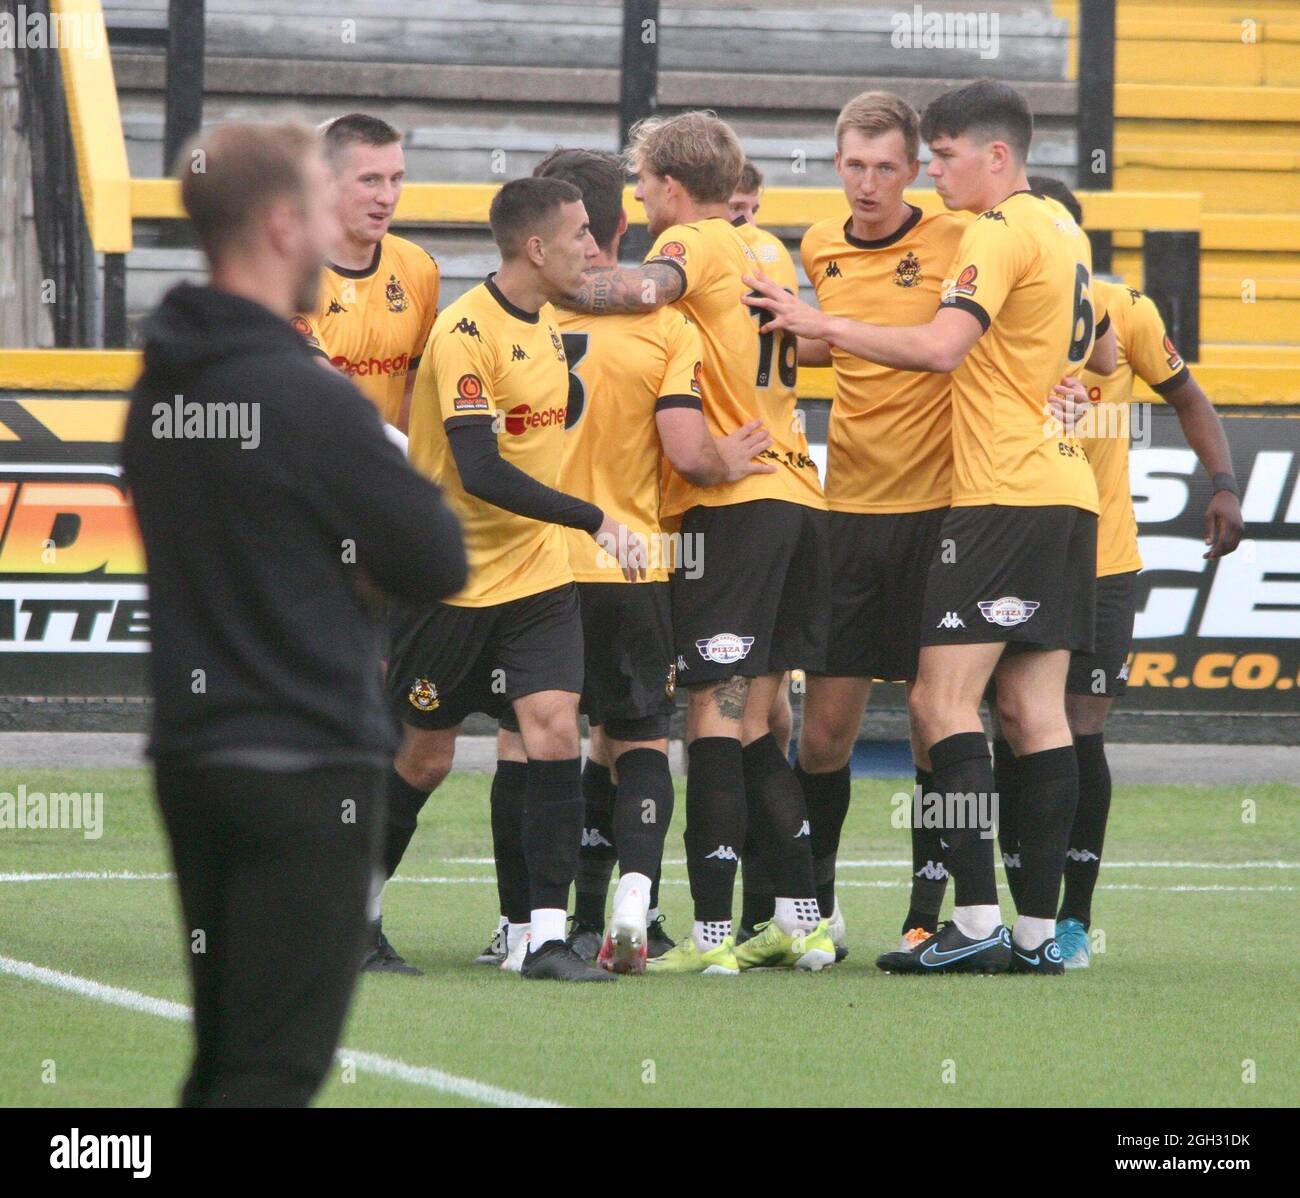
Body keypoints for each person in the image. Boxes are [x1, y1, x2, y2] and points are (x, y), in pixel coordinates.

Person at [122, 121, 467, 1105]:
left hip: (195, 755)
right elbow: (435, 554)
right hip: (305, 762)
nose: (334, 237)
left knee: (227, 1057)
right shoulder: (307, 396)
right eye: (320, 211)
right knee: (272, 1070)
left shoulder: (163, 386)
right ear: (280, 224)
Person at [746, 79, 1117, 975]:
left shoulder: (983, 230)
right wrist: (1072, 379)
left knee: (937, 707)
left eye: (930, 159)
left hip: (981, 497)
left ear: (987, 157)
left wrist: (813, 318)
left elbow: (948, 345)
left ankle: (964, 920)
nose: (897, 179)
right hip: (1041, 494)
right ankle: (1030, 936)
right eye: (855, 165)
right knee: (1029, 712)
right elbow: (1091, 333)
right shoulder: (1063, 228)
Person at [565, 110, 836, 975]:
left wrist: (546, 284)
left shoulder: (701, 243)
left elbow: (642, 291)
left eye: (643, 184)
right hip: (796, 489)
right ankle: (803, 923)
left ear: (673, 188)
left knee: (711, 712)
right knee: (760, 719)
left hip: (735, 500)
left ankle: (712, 940)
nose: (638, 199)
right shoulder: (767, 249)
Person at [515, 147, 776, 972]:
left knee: (537, 747)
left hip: (534, 568)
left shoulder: (518, 318)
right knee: (638, 742)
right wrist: (727, 461)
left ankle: (536, 926)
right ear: (620, 229)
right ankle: (636, 889)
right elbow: (689, 452)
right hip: (634, 562)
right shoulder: (666, 327)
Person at [384, 175, 646, 983]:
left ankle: (541, 939)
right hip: (450, 583)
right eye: (580, 237)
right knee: (423, 761)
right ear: (536, 248)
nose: (595, 250)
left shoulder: (553, 327)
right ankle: (347, 917)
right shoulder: (464, 330)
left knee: (555, 732)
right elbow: (478, 470)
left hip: (535, 579)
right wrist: (594, 518)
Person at [990, 176, 1243, 967]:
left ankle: (1072, 917)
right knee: (1011, 723)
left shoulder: (1124, 309)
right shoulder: (994, 303)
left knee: (1081, 726)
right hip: (1013, 545)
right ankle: (1015, 912)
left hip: (1100, 557)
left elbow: (1188, 396)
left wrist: (1226, 485)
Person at [294, 113, 441, 435]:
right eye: (370, 180)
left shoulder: (418, 267)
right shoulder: (288, 271)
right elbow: (319, 387)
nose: (387, 197)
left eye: (396, 178)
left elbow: (409, 390)